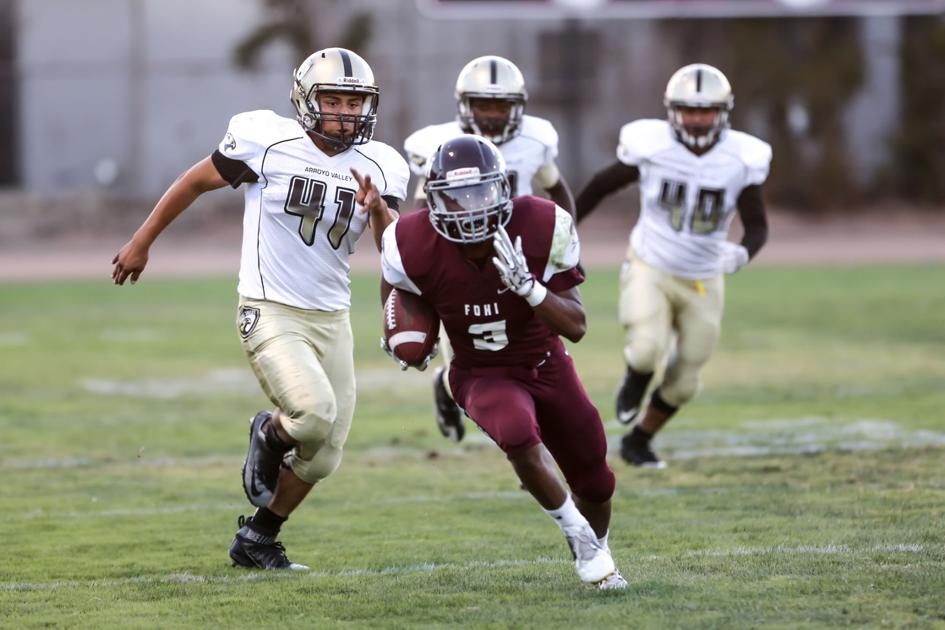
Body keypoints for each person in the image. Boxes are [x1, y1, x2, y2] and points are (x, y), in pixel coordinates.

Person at [111, 47, 409, 569]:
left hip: (331, 316)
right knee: (312, 416)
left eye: (354, 101)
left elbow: (393, 253)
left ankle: (258, 538)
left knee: (326, 453)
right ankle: (268, 432)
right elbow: (195, 182)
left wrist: (380, 210)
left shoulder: (384, 164)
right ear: (305, 99)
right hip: (270, 308)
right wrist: (142, 240)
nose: (345, 112)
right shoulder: (267, 141)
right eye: (333, 99)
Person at [379, 134, 626, 590]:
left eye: (481, 193)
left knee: (595, 477)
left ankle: (600, 546)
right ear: (432, 199)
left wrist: (531, 289)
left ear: (504, 188)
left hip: (545, 361)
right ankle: (578, 537)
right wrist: (400, 332)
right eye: (455, 197)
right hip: (480, 371)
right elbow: (397, 285)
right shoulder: (409, 240)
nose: (469, 207)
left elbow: (577, 325)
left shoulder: (542, 223)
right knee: (516, 431)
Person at [575, 63, 771, 469]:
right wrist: (564, 225)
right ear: (673, 111)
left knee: (686, 380)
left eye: (706, 111)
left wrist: (742, 253)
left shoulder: (741, 157)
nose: (697, 120)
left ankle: (639, 440)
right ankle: (635, 381)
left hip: (704, 277)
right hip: (652, 265)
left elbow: (758, 226)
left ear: (723, 113)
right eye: (689, 110)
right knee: (647, 350)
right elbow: (599, 185)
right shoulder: (653, 145)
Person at [403, 55, 575, 444]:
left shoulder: (536, 139)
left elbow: (557, 189)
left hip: (521, 259)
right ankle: (451, 390)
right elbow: (422, 207)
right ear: (465, 106)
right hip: (462, 260)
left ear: (518, 107)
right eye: (483, 105)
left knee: (538, 353)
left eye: (501, 105)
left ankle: (536, 447)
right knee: (469, 362)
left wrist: (563, 239)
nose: (493, 115)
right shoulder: (439, 146)